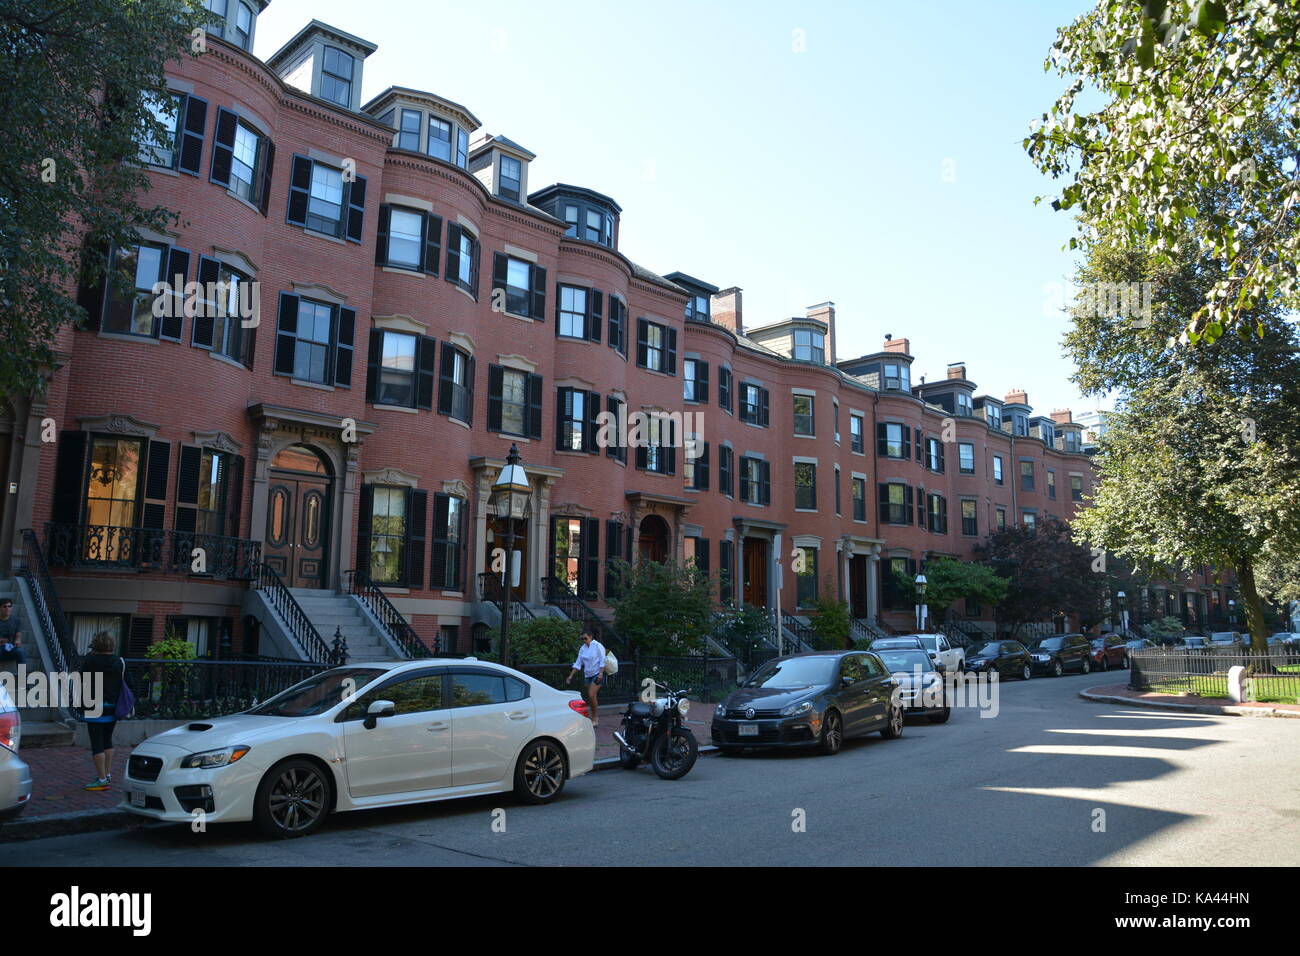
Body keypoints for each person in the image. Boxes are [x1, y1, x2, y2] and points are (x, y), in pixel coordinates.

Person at [80, 630, 125, 791]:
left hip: (93, 706)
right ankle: (107, 773)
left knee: (97, 744)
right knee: (107, 740)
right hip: (112, 707)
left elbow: (81, 681)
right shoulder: (119, 662)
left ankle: (101, 779)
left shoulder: (90, 660)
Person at [565, 630, 606, 727]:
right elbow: (578, 663)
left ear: (591, 637)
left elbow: (602, 660)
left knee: (591, 695)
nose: (584, 640)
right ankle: (593, 718)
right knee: (592, 697)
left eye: (585, 638)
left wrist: (601, 673)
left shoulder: (597, 646)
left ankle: (595, 718)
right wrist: (570, 676)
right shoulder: (582, 648)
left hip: (597, 674)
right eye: (582, 639)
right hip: (587, 675)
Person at [0, 598, 25, 667]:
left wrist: (18, 640)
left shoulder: (16, 620)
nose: (7, 608)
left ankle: (22, 677)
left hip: (11, 647)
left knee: (20, 651)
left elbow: (18, 633)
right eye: (4, 606)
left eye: (9, 606)